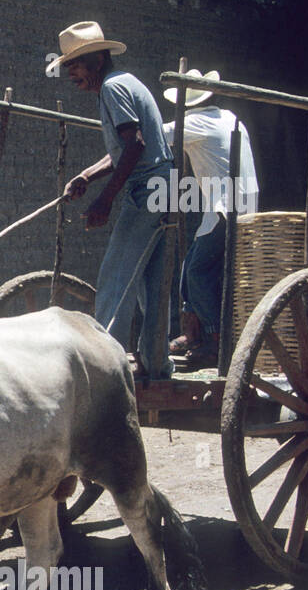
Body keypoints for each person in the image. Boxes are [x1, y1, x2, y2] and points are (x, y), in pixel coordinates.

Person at [55, 22, 175, 380]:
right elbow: (129, 146)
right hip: (163, 186)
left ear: (101, 57)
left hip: (148, 187)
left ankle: (105, 370)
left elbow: (135, 145)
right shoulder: (122, 83)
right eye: (67, 66)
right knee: (153, 285)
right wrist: (87, 177)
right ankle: (157, 366)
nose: (72, 72)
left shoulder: (111, 87)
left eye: (77, 63)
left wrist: (105, 200)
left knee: (116, 277)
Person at [162, 69, 259, 368]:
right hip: (236, 203)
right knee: (191, 268)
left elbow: (158, 134)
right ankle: (193, 334)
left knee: (198, 272)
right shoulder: (230, 117)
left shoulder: (196, 122)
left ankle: (215, 342)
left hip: (226, 206)